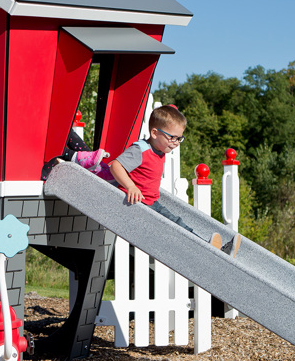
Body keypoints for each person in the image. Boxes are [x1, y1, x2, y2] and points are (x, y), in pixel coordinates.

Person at [78, 105, 240, 257]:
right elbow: (116, 166)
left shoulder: (160, 150)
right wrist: (130, 186)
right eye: (173, 138)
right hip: (138, 205)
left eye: (179, 139)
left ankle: (212, 248)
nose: (176, 143)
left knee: (177, 222)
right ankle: (207, 249)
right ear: (155, 133)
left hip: (151, 202)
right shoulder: (141, 150)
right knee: (174, 227)